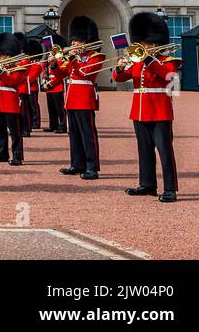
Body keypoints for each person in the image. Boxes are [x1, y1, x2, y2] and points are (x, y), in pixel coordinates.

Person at [112, 12, 179, 203]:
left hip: (159, 111)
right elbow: (120, 78)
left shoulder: (168, 61)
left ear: (156, 44)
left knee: (164, 150)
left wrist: (148, 59)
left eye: (147, 44)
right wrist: (119, 66)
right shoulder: (137, 62)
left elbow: (168, 76)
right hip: (139, 110)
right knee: (144, 149)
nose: (144, 47)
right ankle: (147, 184)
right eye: (142, 44)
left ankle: (170, 188)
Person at [56, 16, 102, 180]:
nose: (73, 44)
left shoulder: (96, 56)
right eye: (73, 41)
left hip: (84, 98)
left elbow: (85, 72)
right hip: (71, 98)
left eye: (76, 41)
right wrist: (55, 64)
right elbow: (63, 73)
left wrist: (74, 58)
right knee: (74, 133)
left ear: (85, 41)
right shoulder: (73, 57)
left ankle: (92, 166)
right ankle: (77, 164)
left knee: (87, 134)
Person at [0, 31, 27, 166]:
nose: (0, 57)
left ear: (10, 54)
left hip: (10, 102)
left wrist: (0, 71)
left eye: (3, 54)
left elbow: (11, 82)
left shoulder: (19, 68)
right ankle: (2, 153)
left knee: (15, 131)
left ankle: (17, 156)